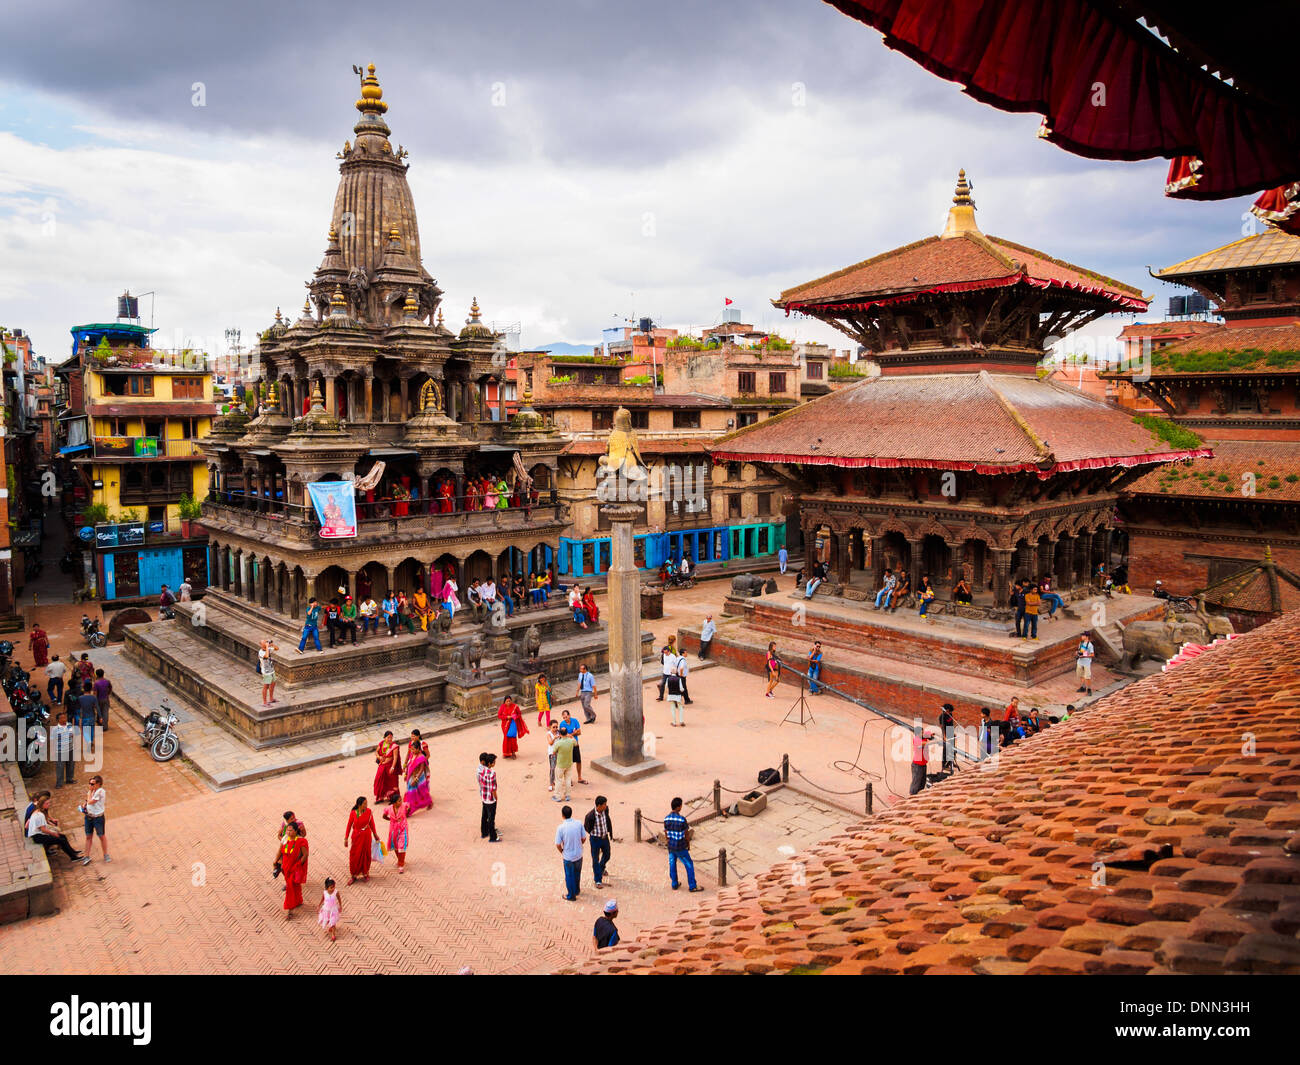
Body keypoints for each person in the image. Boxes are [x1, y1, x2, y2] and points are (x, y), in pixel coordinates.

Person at [26, 795, 88, 865]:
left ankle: (73, 852)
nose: (48, 805)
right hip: (38, 836)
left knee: (63, 836)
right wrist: (53, 833)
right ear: (42, 804)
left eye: (49, 803)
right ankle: (73, 857)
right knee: (61, 840)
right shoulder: (39, 815)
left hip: (40, 833)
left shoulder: (39, 812)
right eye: (47, 804)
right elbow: (43, 830)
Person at [664, 797, 702, 892]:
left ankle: (674, 883)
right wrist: (688, 844)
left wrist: (668, 841)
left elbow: (666, 832)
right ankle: (692, 886)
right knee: (689, 864)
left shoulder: (666, 818)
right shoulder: (682, 820)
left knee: (672, 863)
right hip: (680, 846)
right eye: (680, 805)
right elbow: (686, 833)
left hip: (671, 846)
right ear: (678, 807)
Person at [555, 805, 588, 902]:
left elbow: (557, 844)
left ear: (562, 815)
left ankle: (571, 895)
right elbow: (584, 838)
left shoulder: (561, 828)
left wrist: (562, 851)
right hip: (578, 854)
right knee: (577, 874)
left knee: (569, 876)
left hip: (568, 856)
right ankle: (577, 890)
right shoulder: (578, 823)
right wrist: (578, 844)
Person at [344, 795, 378, 883]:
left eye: (366, 803)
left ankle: (365, 872)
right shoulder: (353, 813)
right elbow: (349, 825)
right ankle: (354, 875)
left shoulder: (369, 812)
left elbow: (372, 824)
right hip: (356, 837)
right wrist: (346, 838)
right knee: (355, 855)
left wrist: (375, 835)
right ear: (359, 805)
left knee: (366, 854)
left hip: (366, 836)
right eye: (364, 804)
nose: (366, 805)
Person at [278, 821, 309, 916]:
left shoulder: (301, 841)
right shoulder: (285, 839)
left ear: (296, 831)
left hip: (294, 868)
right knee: (294, 886)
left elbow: (305, 855)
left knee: (290, 888)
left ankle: (289, 909)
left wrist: (298, 865)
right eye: (287, 830)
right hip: (286, 868)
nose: (288, 832)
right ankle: (298, 900)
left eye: (291, 830)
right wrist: (276, 862)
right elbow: (280, 851)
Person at [584, 796, 614, 887]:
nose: (606, 806)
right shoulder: (590, 816)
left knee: (607, 855)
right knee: (595, 859)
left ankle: (601, 868)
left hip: (605, 838)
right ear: (599, 806)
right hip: (595, 839)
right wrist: (592, 833)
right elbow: (586, 827)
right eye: (604, 804)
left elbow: (608, 821)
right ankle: (598, 880)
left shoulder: (606, 810)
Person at [80, 774, 109, 862]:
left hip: (98, 819)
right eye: (90, 783)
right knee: (88, 836)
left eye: (92, 784)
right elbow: (87, 802)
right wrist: (85, 804)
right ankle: (87, 856)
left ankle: (106, 854)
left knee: (101, 836)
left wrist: (89, 794)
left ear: (98, 784)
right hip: (89, 817)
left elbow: (91, 802)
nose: (90, 785)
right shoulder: (92, 791)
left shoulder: (100, 791)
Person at [404, 737, 433, 814]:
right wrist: (406, 773)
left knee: (421, 792)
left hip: (419, 777)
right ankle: (410, 807)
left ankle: (411, 809)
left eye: (413, 749)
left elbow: (421, 769)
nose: (412, 751)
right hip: (411, 776)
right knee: (411, 792)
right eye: (411, 749)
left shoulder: (421, 757)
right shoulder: (412, 754)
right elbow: (409, 765)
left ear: (418, 749)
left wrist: (416, 779)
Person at [383, 792, 410, 870]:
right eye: (399, 801)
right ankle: (401, 859)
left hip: (403, 828)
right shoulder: (389, 808)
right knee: (395, 845)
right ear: (394, 803)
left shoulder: (404, 805)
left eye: (401, 800)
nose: (401, 802)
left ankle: (401, 865)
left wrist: (406, 814)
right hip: (393, 830)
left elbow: (408, 809)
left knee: (402, 845)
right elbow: (384, 816)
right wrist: (391, 820)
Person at [478, 752, 501, 843]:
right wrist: (496, 797)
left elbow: (481, 783)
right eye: (493, 762)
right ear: (490, 764)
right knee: (491, 819)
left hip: (484, 797)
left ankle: (484, 833)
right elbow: (493, 788)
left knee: (484, 815)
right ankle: (493, 837)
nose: (494, 763)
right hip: (491, 799)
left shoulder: (481, 771)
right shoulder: (492, 773)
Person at [373, 730, 401, 804]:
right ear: (384, 737)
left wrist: (393, 767)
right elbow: (376, 752)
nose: (389, 739)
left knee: (392, 782)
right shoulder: (381, 743)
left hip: (390, 765)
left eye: (391, 738)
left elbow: (395, 758)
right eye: (388, 737)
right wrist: (379, 757)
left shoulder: (394, 746)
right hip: (382, 765)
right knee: (379, 780)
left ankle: (394, 799)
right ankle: (380, 797)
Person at [552, 723, 577, 802]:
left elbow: (553, 752)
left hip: (560, 764)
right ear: (567, 733)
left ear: (560, 733)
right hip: (569, 763)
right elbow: (576, 743)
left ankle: (558, 796)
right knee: (568, 780)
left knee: (558, 780)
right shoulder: (571, 741)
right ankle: (567, 795)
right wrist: (571, 736)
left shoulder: (558, 743)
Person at [51, 712, 76, 788]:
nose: (64, 719)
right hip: (60, 751)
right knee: (60, 767)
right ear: (58, 720)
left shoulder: (69, 725)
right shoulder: (55, 729)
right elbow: (52, 740)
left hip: (70, 749)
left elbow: (73, 734)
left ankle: (69, 779)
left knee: (71, 765)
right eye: (62, 718)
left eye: (64, 717)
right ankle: (59, 783)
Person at [499, 694, 528, 758]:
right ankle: (506, 753)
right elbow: (499, 716)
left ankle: (513, 753)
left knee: (513, 739)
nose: (508, 702)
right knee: (506, 739)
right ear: (504, 702)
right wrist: (507, 717)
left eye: (509, 701)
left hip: (513, 724)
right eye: (507, 701)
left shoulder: (515, 706)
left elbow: (519, 714)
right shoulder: (502, 707)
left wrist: (514, 716)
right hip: (505, 725)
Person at [909, 724, 936, 794]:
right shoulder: (917, 740)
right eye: (922, 732)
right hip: (917, 765)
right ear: (918, 734)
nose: (923, 733)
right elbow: (925, 743)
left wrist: (931, 734)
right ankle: (912, 797)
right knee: (916, 783)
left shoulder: (922, 736)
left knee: (922, 783)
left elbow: (929, 734)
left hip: (923, 764)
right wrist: (935, 741)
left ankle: (918, 796)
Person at [77, 687, 99, 752]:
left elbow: (79, 709)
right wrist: (100, 716)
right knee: (92, 730)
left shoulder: (80, 698)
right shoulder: (93, 697)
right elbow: (97, 708)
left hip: (84, 717)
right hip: (92, 716)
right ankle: (91, 741)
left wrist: (78, 718)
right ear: (90, 690)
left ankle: (89, 741)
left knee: (85, 731)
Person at [938, 703, 957, 772]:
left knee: (953, 749)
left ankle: (951, 762)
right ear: (946, 710)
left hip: (951, 733)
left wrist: (953, 732)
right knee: (946, 751)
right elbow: (942, 727)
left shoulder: (950, 715)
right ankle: (944, 766)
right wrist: (944, 737)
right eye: (949, 711)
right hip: (946, 735)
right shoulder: (942, 717)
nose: (950, 712)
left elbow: (951, 724)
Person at [259, 639, 278, 706]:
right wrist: (267, 647)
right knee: (266, 686)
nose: (266, 643)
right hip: (266, 672)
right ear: (261, 645)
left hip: (271, 670)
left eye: (266, 642)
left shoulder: (268, 649)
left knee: (273, 684)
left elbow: (277, 649)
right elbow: (266, 656)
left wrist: (272, 644)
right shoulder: (261, 652)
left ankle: (271, 698)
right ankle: (264, 702)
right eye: (264, 643)